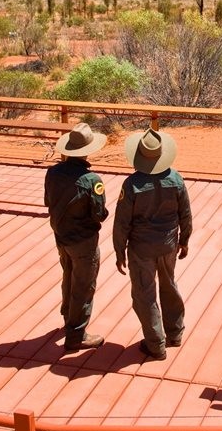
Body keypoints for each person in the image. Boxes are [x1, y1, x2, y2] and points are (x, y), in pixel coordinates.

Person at [113, 127, 193, 361]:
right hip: (168, 244)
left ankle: (156, 344)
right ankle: (175, 333)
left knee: (144, 295)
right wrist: (184, 240)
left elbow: (122, 222)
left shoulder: (132, 184)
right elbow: (185, 213)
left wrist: (119, 252)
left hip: (141, 249)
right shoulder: (176, 179)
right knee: (169, 285)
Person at [44, 123, 109, 351]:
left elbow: (48, 202)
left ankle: (67, 316)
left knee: (68, 275)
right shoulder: (92, 180)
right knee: (84, 284)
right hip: (83, 241)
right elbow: (99, 214)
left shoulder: (52, 172)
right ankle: (77, 334)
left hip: (61, 235)